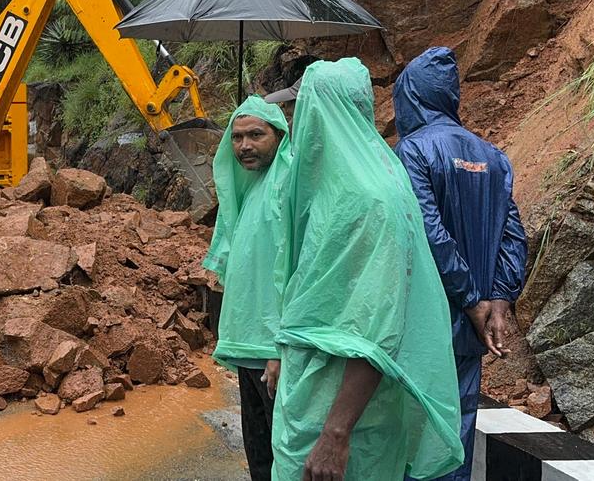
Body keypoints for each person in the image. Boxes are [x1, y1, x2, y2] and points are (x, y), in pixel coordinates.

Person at [272, 58, 464, 481]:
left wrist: (336, 434)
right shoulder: (348, 182)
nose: (302, 120)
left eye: (309, 107)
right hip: (314, 402)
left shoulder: (369, 199)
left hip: (345, 421)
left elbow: (377, 330)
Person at [392, 47, 528, 481]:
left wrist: (471, 299)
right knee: (457, 427)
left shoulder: (412, 151)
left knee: (414, 436)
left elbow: (427, 231)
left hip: (426, 322)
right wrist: (499, 299)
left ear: (410, 96)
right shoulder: (492, 156)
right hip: (474, 328)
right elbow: (512, 234)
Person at [204, 96, 293, 481]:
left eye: (256, 135)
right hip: (247, 346)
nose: (244, 146)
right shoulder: (252, 188)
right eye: (237, 137)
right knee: (257, 450)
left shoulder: (287, 186)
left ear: (280, 135)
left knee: (284, 454)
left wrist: (281, 348)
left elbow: (291, 271)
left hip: (275, 350)